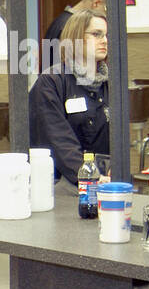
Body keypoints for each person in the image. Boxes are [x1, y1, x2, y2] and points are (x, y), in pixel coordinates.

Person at [29, 9, 110, 186]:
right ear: (76, 38)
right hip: (61, 185)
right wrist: (89, 176)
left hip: (105, 184)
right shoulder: (51, 82)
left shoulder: (110, 85)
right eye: (96, 34)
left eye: (106, 35)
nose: (104, 40)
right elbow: (58, 138)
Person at [41, 0, 105, 74]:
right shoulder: (69, 26)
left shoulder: (62, 21)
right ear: (96, 3)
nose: (104, 41)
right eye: (96, 34)